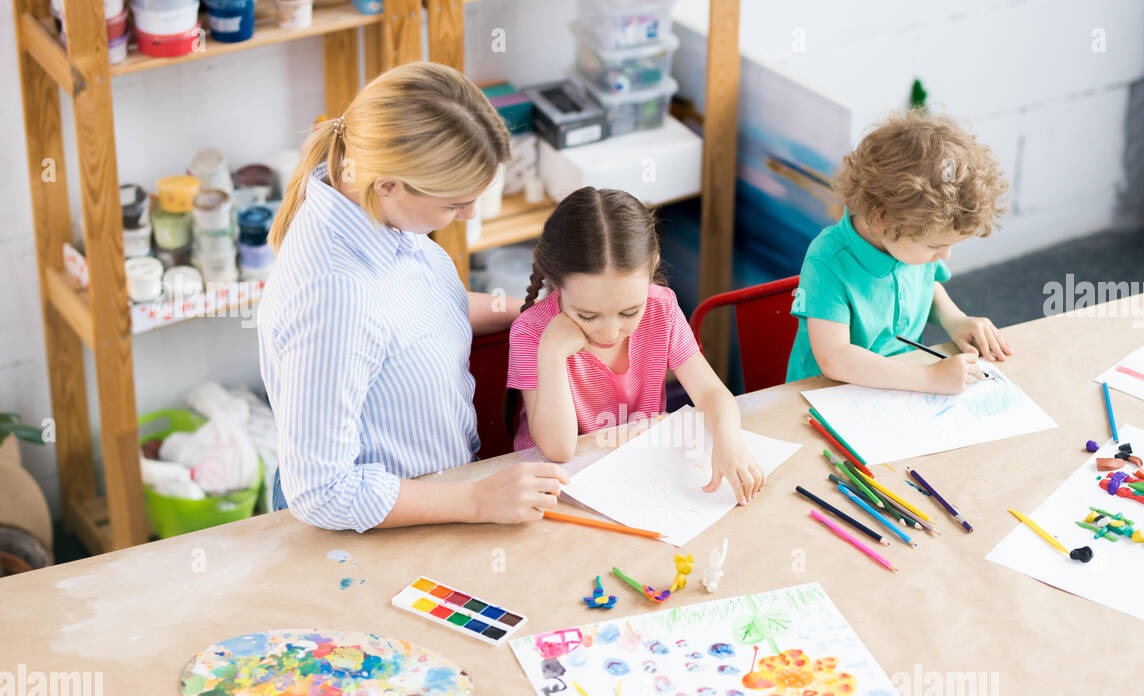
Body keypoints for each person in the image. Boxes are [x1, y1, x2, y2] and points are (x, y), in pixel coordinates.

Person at [259, 62, 568, 532]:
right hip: (379, 527)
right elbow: (321, 491)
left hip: (436, 493)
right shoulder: (336, 295)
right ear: (389, 185)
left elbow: (420, 314)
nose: (466, 215)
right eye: (453, 203)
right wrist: (477, 501)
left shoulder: (375, 214)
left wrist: (531, 313)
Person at [506, 188, 765, 504]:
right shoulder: (532, 333)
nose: (610, 331)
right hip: (560, 490)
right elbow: (558, 449)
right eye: (587, 315)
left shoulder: (662, 308)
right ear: (556, 282)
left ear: (652, 266)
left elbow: (710, 392)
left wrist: (729, 440)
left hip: (639, 472)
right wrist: (552, 352)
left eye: (629, 312)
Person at [786, 111, 1012, 393]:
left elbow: (926, 286)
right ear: (881, 218)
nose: (945, 256)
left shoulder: (907, 240)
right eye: (935, 247)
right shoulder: (828, 261)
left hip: (896, 384)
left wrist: (954, 320)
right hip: (827, 394)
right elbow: (835, 358)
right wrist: (930, 379)